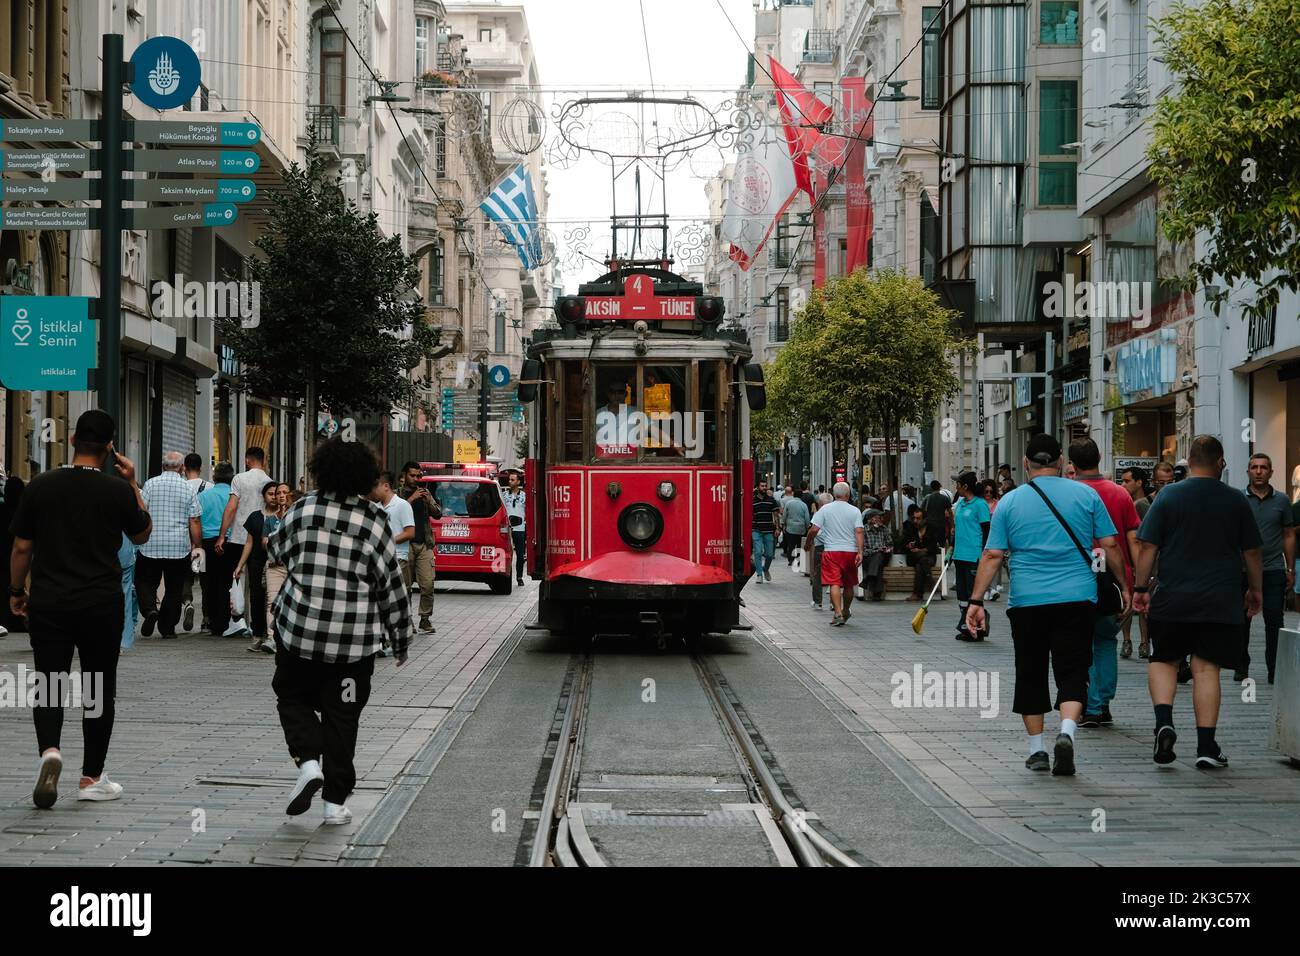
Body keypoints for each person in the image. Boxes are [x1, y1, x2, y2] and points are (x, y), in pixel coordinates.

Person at [10, 409, 151, 808]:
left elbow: (22, 547)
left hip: (51, 601)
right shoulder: (116, 490)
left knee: (49, 682)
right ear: (110, 448)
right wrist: (133, 483)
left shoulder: (41, 485)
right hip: (100, 603)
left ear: (72, 441)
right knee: (98, 689)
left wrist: (16, 590)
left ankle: (50, 751)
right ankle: (91, 778)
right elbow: (141, 533)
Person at [966, 433, 1129, 777]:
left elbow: (993, 554)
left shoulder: (1009, 502)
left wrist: (975, 600)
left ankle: (1037, 749)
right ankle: (1067, 732)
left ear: (1026, 463)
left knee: (1031, 671)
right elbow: (1111, 545)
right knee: (1074, 670)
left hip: (1027, 602)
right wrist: (1126, 587)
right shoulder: (1085, 495)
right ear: (1060, 463)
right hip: (1077, 599)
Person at [268, 438, 411, 825]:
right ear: (365, 476)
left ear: (321, 470)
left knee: (292, 696)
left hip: (300, 633)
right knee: (343, 717)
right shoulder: (375, 520)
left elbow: (275, 553)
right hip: (352, 644)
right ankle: (334, 804)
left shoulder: (301, 508)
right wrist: (400, 639)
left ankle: (308, 762)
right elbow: (390, 586)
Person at [1132, 435, 1262, 769]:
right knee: (1206, 669)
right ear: (1220, 462)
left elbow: (1148, 547)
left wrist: (1141, 588)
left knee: (1164, 660)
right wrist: (1255, 590)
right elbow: (1251, 551)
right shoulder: (1235, 500)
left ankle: (1164, 721)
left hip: (1173, 597)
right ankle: (1206, 747)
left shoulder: (1168, 496)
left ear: (1189, 461)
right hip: (1219, 599)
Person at [1070, 438, 1140, 729]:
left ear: (1071, 463)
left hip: (1077, 578)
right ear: (1100, 456)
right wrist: (1137, 581)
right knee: (1106, 641)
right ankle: (1102, 703)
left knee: (1079, 643)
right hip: (1115, 579)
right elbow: (1133, 539)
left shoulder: (1069, 493)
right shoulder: (1120, 494)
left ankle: (1090, 703)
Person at [135, 451, 202, 640]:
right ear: (182, 468)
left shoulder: (149, 484)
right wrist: (197, 544)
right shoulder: (188, 488)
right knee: (174, 588)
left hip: (150, 544)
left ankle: (149, 610)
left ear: (163, 466)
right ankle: (167, 627)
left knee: (145, 581)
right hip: (178, 547)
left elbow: (142, 511)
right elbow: (195, 520)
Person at [1240, 452, 1293, 684]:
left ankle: (1275, 669)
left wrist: (1290, 568)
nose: (1259, 471)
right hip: (1241, 570)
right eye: (1254, 467)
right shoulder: (1239, 499)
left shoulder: (1282, 501)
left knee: (1274, 620)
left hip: (1272, 569)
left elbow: (1288, 534)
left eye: (1263, 467)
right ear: (1248, 471)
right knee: (1241, 620)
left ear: (1271, 472)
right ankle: (1241, 665)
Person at [216, 447, 272, 621]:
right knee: (256, 582)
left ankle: (237, 619)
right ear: (263, 460)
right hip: (260, 535)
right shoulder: (270, 482)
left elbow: (232, 507)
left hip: (239, 535)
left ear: (247, 460)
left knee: (236, 577)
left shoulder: (239, 479)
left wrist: (222, 535)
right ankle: (255, 620)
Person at [232, 481, 282, 654]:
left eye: (276, 494)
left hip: (275, 564)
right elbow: (248, 543)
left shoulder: (284, 516)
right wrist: (240, 565)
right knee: (256, 599)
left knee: (273, 600)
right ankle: (258, 635)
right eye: (270, 494)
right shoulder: (255, 517)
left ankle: (274, 636)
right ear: (263, 496)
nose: (274, 497)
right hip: (256, 562)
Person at [805, 482, 864, 627]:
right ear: (848, 494)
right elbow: (859, 531)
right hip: (850, 551)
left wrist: (808, 543)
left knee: (834, 583)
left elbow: (813, 530)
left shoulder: (825, 509)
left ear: (834, 494)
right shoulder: (855, 511)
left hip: (831, 551)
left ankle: (837, 613)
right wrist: (860, 552)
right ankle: (845, 610)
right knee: (849, 584)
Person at [370, 472, 416, 658]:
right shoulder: (376, 507)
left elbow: (410, 532)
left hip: (399, 558)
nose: (373, 491)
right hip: (380, 559)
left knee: (394, 601)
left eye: (376, 487)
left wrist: (387, 540)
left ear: (386, 486)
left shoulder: (402, 505)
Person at [952, 471, 992, 641]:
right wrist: (950, 549)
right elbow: (957, 530)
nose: (956, 487)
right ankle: (965, 625)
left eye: (958, 484)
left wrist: (985, 554)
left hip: (973, 556)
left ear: (965, 486)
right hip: (959, 554)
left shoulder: (980, 505)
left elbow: (986, 531)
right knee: (961, 594)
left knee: (972, 593)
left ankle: (977, 628)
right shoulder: (960, 504)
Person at [198, 464, 237, 637]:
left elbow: (196, 520)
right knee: (227, 581)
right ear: (232, 478)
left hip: (206, 542)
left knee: (207, 581)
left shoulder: (203, 495)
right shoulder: (235, 496)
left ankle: (211, 619)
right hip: (229, 542)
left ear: (214, 478)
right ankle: (224, 619)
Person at [402, 462, 439, 630]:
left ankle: (425, 618)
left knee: (428, 584)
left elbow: (438, 513)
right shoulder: (398, 494)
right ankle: (407, 619)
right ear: (404, 475)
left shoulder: (425, 493)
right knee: (406, 587)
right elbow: (395, 512)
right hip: (405, 545)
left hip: (424, 543)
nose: (416, 479)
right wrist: (411, 499)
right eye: (413, 475)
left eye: (419, 476)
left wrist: (427, 501)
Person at [1119, 466, 1151, 658]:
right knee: (1130, 601)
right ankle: (1128, 640)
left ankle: (1144, 642)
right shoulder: (1126, 502)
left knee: (1140, 601)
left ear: (1139, 482)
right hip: (1129, 558)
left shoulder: (1142, 505)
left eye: (1126, 481)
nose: (1123, 484)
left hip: (1141, 557)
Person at [182, 452, 210, 632]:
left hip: (183, 541)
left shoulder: (179, 486)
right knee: (205, 579)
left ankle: (187, 603)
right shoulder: (210, 487)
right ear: (201, 468)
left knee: (186, 577)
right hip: (203, 541)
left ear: (184, 468)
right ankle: (206, 619)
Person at [0, 476, 25, 634]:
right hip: (13, 558)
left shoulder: (2, 510)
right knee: (12, 586)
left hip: (1, 556)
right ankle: (15, 618)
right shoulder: (21, 512)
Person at [902, 507, 942, 601]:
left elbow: (933, 546)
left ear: (924, 519)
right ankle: (930, 580)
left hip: (928, 557)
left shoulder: (932, 528)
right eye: (914, 518)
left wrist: (922, 550)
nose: (915, 521)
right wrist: (908, 546)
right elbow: (902, 545)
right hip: (913, 557)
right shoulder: (909, 527)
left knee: (920, 566)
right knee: (921, 560)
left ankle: (917, 594)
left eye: (918, 518)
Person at [858, 508, 891, 601]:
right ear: (871, 520)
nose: (881, 519)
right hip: (868, 558)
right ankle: (877, 592)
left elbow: (890, 544)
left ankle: (869, 578)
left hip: (883, 556)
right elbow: (863, 550)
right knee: (878, 559)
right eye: (878, 517)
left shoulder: (884, 529)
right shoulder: (864, 530)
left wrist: (886, 549)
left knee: (879, 556)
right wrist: (875, 550)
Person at [501, 469, 527, 589]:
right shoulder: (504, 495)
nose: (510, 482)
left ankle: (519, 577)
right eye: (509, 480)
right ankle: (506, 575)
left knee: (520, 555)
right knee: (507, 553)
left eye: (512, 480)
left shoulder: (524, 496)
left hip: (520, 528)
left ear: (518, 482)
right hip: (507, 529)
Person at [808, 491, 832, 609]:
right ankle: (834, 602)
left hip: (821, 547)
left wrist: (808, 543)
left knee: (817, 574)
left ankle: (818, 602)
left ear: (820, 503)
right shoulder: (836, 513)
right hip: (835, 547)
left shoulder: (820, 513)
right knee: (835, 574)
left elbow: (814, 531)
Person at [751, 479, 778, 582]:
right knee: (757, 552)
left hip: (768, 530)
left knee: (769, 554)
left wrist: (778, 528)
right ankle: (759, 574)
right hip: (756, 530)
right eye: (762, 486)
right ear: (758, 487)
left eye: (765, 486)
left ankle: (765, 569)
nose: (764, 487)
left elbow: (776, 515)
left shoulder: (771, 500)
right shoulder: (753, 501)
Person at [780, 488, 811, 568]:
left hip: (790, 527)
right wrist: (807, 527)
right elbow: (807, 517)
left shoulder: (788, 503)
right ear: (801, 496)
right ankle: (798, 559)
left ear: (794, 495)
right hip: (801, 528)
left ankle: (790, 559)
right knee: (799, 545)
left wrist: (783, 524)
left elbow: (785, 515)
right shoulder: (804, 505)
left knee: (791, 544)